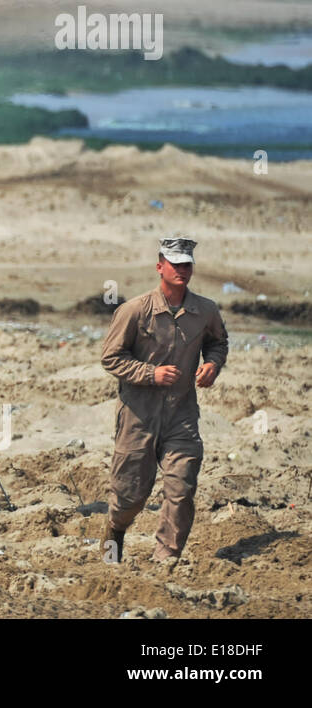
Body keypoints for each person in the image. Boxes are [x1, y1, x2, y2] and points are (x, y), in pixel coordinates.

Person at [100, 237, 228, 565]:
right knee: (130, 496)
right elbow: (111, 358)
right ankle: (115, 529)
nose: (183, 270)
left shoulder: (205, 310)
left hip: (181, 414)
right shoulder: (133, 310)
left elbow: (218, 342)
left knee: (181, 489)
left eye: (187, 264)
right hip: (137, 416)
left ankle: (165, 560)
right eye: (176, 264)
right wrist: (150, 374)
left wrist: (213, 364)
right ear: (160, 267)